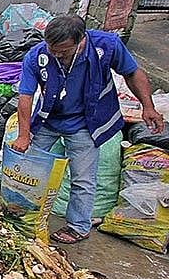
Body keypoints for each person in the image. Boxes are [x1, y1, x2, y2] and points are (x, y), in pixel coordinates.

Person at [12, 15, 164, 244]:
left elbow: (132, 73)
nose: (56, 54)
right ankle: (22, 215)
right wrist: (24, 135)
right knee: (30, 170)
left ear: (81, 40)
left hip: (85, 122)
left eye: (63, 50)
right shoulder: (37, 56)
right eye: (52, 48)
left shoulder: (106, 46)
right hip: (48, 119)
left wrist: (148, 106)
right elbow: (25, 96)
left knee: (82, 178)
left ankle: (78, 226)